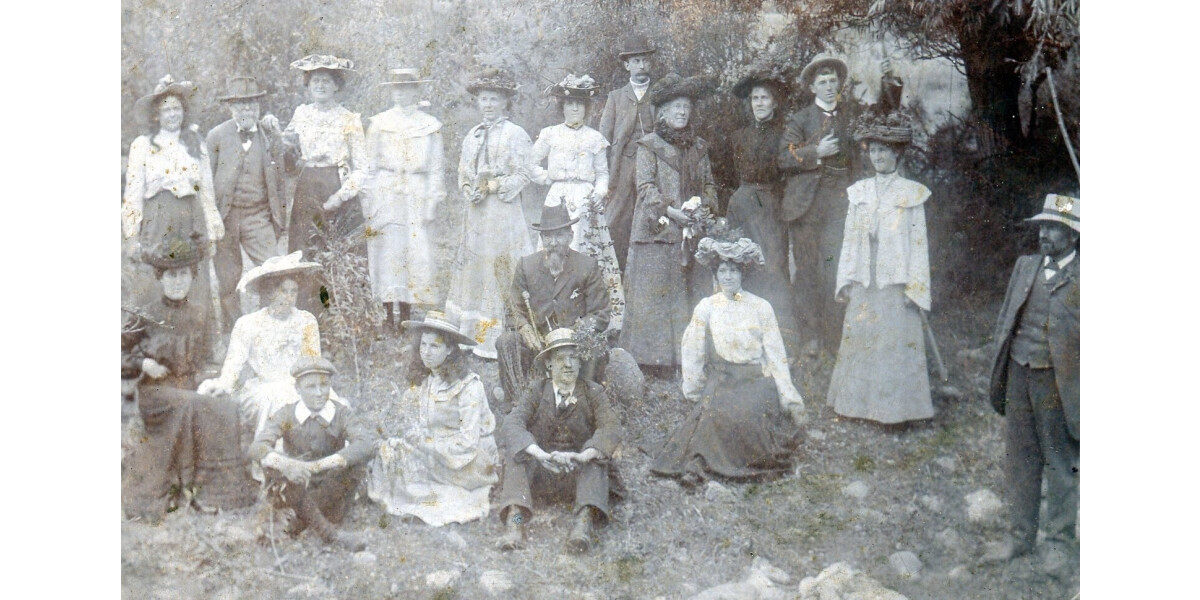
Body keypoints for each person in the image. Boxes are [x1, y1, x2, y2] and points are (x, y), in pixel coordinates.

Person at [122, 234, 256, 521]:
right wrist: (143, 362)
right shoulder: (145, 313)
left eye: (183, 274)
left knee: (224, 406)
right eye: (171, 275)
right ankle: (181, 489)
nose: (177, 281)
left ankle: (218, 493)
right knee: (191, 404)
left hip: (190, 389)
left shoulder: (199, 313)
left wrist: (209, 382)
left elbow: (208, 360)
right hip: (154, 393)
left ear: (192, 276)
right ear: (160, 277)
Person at [650, 237, 805, 484]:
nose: (728, 277)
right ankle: (700, 465)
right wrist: (694, 390)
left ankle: (747, 461)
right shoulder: (707, 306)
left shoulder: (761, 307)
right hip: (723, 378)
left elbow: (776, 354)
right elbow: (693, 350)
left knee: (749, 415)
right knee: (715, 416)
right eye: (723, 271)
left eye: (733, 270)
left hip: (756, 378)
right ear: (716, 274)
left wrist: (788, 396)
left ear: (743, 273)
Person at [776, 55, 902, 356]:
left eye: (833, 81)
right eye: (822, 82)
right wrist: (815, 151)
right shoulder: (800, 119)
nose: (829, 86)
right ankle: (810, 337)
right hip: (806, 207)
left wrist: (890, 83)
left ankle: (835, 338)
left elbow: (880, 117)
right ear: (812, 87)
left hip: (841, 204)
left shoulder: (851, 116)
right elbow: (783, 157)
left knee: (836, 269)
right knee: (807, 270)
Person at [980, 194, 1080, 571]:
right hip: (1019, 372)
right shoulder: (1026, 266)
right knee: (1020, 458)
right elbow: (1007, 317)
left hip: (1058, 381)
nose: (1045, 235)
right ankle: (1020, 537)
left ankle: (1058, 542)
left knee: (1059, 461)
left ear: (1073, 236)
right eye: (1043, 227)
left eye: (1055, 228)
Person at [827, 112, 934, 425]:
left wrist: (916, 287)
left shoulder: (911, 192)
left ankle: (895, 412)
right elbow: (850, 238)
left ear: (896, 153)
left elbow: (918, 242)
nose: (878, 157)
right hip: (865, 277)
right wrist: (846, 277)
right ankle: (855, 406)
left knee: (893, 343)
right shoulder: (859, 192)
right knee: (861, 338)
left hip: (894, 279)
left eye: (884, 151)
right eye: (873, 151)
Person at [618, 73, 718, 373]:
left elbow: (710, 184)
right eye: (676, 107)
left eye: (686, 106)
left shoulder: (699, 148)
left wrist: (703, 208)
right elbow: (645, 187)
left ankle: (689, 359)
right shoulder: (649, 145)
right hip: (657, 229)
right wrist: (673, 212)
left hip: (692, 230)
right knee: (656, 295)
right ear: (662, 112)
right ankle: (652, 361)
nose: (682, 112)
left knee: (690, 294)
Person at [497, 329, 622, 554]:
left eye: (573, 357)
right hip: (541, 474)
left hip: (578, 474)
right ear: (549, 365)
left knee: (597, 458)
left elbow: (610, 427)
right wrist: (539, 454)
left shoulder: (593, 392)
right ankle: (515, 523)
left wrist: (582, 455)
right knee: (517, 455)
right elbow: (512, 423)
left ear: (581, 362)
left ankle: (583, 525)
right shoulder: (536, 390)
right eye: (560, 358)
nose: (568, 365)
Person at [368, 312, 499, 526]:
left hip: (470, 459)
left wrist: (427, 446)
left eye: (435, 346)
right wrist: (419, 440)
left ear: (450, 349)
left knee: (413, 468)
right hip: (441, 452)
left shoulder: (469, 386)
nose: (426, 353)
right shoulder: (430, 381)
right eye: (423, 345)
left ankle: (435, 494)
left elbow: (469, 442)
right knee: (390, 452)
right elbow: (428, 427)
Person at [446, 67, 534, 359]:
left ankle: (498, 338)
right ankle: (471, 334)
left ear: (505, 102)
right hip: (477, 213)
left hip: (502, 213)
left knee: (500, 265)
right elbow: (463, 171)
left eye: (494, 99)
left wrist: (493, 186)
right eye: (483, 99)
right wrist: (468, 188)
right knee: (476, 265)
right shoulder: (472, 135)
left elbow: (524, 174)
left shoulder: (515, 134)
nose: (488, 105)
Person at [122, 74, 224, 322]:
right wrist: (132, 235)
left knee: (194, 276)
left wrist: (211, 231)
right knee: (157, 274)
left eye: (177, 109)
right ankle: (155, 336)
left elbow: (206, 190)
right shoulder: (142, 145)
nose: (172, 115)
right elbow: (133, 193)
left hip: (192, 218)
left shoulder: (195, 142)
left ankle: (197, 336)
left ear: (184, 111)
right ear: (157, 115)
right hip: (159, 219)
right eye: (166, 110)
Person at [527, 73, 625, 331]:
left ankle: (589, 315)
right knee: (554, 251)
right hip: (558, 197)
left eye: (580, 105)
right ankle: (550, 316)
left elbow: (602, 173)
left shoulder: (594, 138)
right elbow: (531, 164)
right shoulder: (550, 134)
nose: (574, 109)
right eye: (570, 104)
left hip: (585, 199)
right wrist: (547, 178)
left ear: (586, 108)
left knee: (585, 252)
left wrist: (599, 192)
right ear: (562, 107)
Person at [250, 356, 375, 552]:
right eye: (311, 387)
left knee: (356, 464)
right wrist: (287, 465)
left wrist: (317, 466)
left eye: (324, 385)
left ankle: (300, 522)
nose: (319, 393)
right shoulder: (287, 414)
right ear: (298, 389)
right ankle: (329, 533)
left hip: (330, 486)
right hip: (298, 485)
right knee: (275, 466)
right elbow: (257, 447)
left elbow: (366, 443)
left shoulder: (340, 413)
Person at [197, 252, 324, 439]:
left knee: (328, 406)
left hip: (299, 386)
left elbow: (314, 364)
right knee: (275, 399)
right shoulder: (248, 324)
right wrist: (223, 385)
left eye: (294, 291)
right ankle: (269, 451)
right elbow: (232, 367)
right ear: (270, 292)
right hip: (263, 389)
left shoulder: (306, 321)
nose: (289, 298)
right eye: (284, 291)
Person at [495, 204, 610, 408]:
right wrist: (524, 327)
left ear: (570, 236)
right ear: (541, 238)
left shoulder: (587, 266)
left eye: (559, 236)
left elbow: (600, 313)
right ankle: (515, 402)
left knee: (595, 347)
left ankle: (584, 401)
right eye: (547, 237)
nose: (553, 243)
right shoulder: (526, 266)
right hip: (537, 345)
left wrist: (574, 333)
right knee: (506, 341)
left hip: (574, 344)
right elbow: (513, 308)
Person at [362, 68, 446, 330]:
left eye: (407, 88)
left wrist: (432, 202)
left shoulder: (430, 126)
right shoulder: (380, 124)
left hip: (416, 192)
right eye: (396, 88)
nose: (401, 93)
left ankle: (408, 313)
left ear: (415, 91)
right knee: (389, 250)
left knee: (414, 251)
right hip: (386, 191)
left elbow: (436, 168)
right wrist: (369, 200)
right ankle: (389, 313)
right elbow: (369, 165)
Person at [725, 69, 800, 360]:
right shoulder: (738, 136)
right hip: (741, 206)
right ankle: (744, 337)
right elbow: (729, 174)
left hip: (770, 206)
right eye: (755, 98)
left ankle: (783, 341)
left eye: (764, 98)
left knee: (773, 267)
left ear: (774, 102)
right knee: (741, 265)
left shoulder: (784, 135)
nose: (759, 103)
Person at [205, 76, 287, 329]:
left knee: (272, 269)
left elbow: (282, 177)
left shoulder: (269, 134)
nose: (246, 110)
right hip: (225, 216)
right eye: (240, 105)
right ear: (231, 107)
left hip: (257, 215)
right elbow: (205, 180)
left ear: (258, 106)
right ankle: (234, 331)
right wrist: (210, 217)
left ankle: (271, 326)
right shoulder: (216, 136)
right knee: (227, 278)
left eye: (251, 104)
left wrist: (278, 218)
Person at [598, 33, 657, 271]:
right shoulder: (615, 97)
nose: (641, 65)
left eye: (645, 60)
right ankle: (615, 271)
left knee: (654, 214)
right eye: (636, 61)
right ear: (627, 65)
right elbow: (603, 137)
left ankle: (647, 271)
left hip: (654, 164)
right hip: (623, 165)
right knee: (616, 218)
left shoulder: (660, 93)